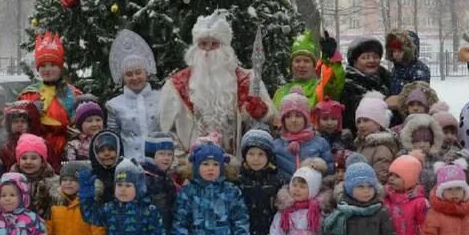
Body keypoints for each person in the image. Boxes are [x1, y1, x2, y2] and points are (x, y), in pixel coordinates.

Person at [157, 12, 275, 152]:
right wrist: (181, 161)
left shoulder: (248, 80)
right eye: (203, 44)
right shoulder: (175, 86)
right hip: (191, 167)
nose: (207, 50)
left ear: (225, 48)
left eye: (214, 44)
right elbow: (165, 132)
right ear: (195, 48)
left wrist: (262, 112)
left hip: (238, 166)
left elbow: (271, 122)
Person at [19, 31, 82, 169]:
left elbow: (81, 125)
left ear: (60, 67)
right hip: (35, 155)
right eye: (43, 65)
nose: (47, 70)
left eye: (52, 65)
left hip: (66, 154)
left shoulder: (73, 94)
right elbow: (17, 125)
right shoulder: (28, 94)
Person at [105, 29, 161, 162]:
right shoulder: (114, 105)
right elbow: (114, 140)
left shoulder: (162, 98)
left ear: (146, 72)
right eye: (129, 74)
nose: (135, 77)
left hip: (160, 164)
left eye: (138, 72)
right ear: (123, 77)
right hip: (131, 165)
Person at [272, 31, 345, 109]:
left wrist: (331, 58)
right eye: (297, 61)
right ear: (291, 65)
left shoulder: (321, 89)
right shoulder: (280, 93)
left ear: (314, 66)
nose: (301, 65)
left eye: (306, 61)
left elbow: (335, 82)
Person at [339, 37, 395, 133]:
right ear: (355, 61)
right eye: (365, 57)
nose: (371, 61)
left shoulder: (387, 79)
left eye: (375, 57)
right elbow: (352, 114)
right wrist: (385, 103)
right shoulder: (347, 84)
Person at [270, 92, 334, 175]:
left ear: (306, 118)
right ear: (283, 120)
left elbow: (331, 169)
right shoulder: (275, 146)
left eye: (298, 116)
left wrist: (321, 167)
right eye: (288, 116)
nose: (293, 120)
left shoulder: (320, 143)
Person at [0, 100, 43, 172]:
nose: (19, 125)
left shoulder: (40, 143)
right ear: (9, 125)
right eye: (15, 122)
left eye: (23, 121)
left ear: (29, 124)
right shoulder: (4, 146)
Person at [386, 29, 432, 94]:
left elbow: (418, 96)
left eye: (400, 51)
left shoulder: (420, 70)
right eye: (394, 51)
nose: (396, 54)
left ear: (409, 51)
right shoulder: (396, 68)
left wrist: (395, 100)